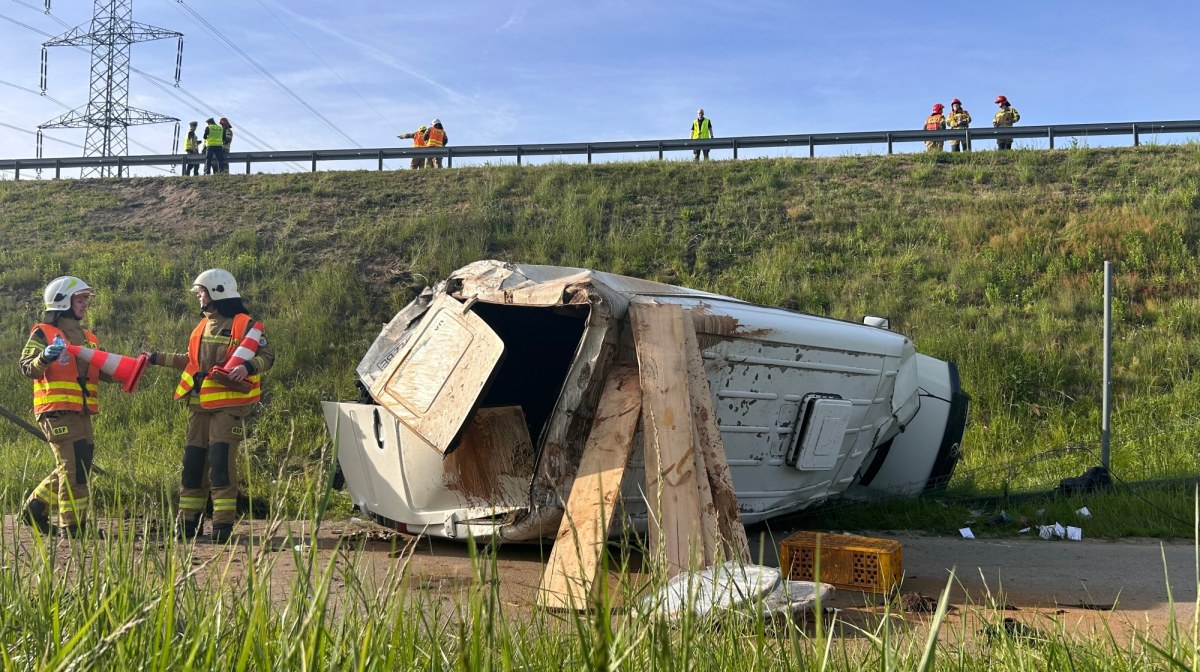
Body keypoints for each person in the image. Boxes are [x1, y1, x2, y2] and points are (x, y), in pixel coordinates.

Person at [145, 269, 274, 543]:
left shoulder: (244, 324)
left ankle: (222, 526)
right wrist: (156, 358)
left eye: (202, 292)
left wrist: (247, 367)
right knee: (193, 465)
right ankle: (188, 524)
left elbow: (267, 356)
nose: (199, 297)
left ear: (216, 293)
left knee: (221, 464)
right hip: (199, 407)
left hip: (229, 407)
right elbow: (191, 362)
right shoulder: (202, 326)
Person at [19, 277, 114, 538]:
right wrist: (45, 356)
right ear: (62, 301)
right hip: (56, 411)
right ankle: (73, 527)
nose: (85, 304)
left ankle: (35, 508)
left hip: (81, 412)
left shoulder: (88, 337)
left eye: (86, 299)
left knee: (76, 465)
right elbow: (27, 367)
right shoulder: (43, 333)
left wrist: (126, 369)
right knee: (74, 471)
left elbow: (101, 369)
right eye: (80, 299)